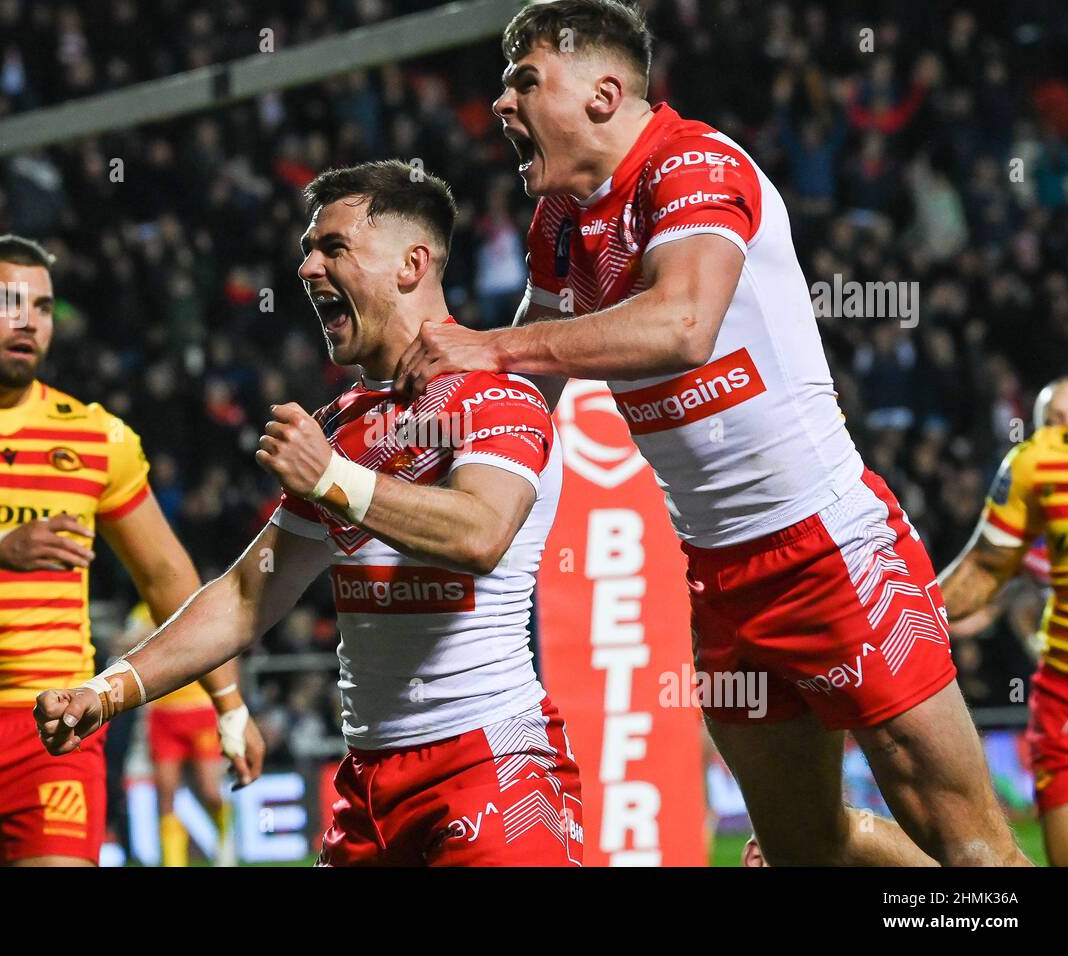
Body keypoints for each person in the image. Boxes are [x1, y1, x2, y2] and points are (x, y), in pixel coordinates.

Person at [393, 0, 1026, 866]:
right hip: (718, 576)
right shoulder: (560, 223)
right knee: (805, 851)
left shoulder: (692, 163)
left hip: (829, 547)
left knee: (973, 853)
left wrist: (491, 345)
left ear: (602, 93)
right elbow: (528, 387)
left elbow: (682, 323)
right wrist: (410, 448)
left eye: (525, 82)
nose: (502, 103)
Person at [36, 160, 584, 867]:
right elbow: (245, 598)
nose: (307, 268)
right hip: (368, 787)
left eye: (334, 248)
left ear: (412, 264)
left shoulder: (495, 395)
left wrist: (331, 478)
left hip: (491, 765)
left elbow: (482, 532)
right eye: (306, 250)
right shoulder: (342, 426)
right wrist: (106, 690)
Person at [0, 235, 263, 866]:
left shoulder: (98, 436)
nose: (29, 322)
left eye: (41, 307)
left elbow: (166, 577)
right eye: (7, 304)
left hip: (53, 724)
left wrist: (228, 704)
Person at [940, 377, 1068, 866]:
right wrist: (904, 614)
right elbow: (985, 573)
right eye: (1049, 422)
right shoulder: (1034, 469)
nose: (1056, 431)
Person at [124, 601, 236, 867]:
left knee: (211, 791)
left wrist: (229, 705)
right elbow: (126, 649)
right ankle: (173, 862)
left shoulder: (201, 603)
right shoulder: (142, 613)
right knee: (166, 793)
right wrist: (145, 637)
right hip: (162, 714)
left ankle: (226, 845)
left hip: (200, 711)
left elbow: (227, 652)